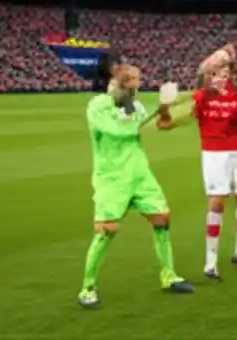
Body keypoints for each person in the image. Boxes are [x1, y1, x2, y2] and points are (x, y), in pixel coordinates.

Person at [79, 63, 193, 309]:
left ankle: (168, 276)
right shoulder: (98, 106)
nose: (135, 85)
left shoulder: (136, 105)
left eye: (137, 80)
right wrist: (156, 109)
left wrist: (165, 105)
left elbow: (156, 121)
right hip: (112, 178)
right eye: (130, 80)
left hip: (140, 174)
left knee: (162, 220)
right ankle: (87, 288)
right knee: (106, 230)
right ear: (116, 81)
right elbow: (120, 132)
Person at [193, 45, 237, 279]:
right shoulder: (202, 95)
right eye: (218, 70)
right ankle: (210, 262)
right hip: (214, 152)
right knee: (217, 202)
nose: (223, 74)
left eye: (226, 69)